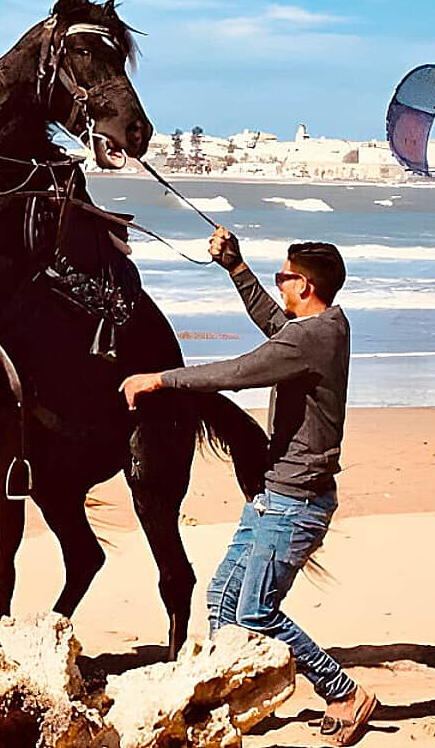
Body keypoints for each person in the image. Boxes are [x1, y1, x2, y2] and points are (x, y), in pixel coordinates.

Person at [120, 228, 376, 747]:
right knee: (221, 600)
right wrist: (235, 268)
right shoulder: (327, 323)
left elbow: (238, 372)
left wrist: (160, 379)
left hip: (295, 503)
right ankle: (224, 698)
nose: (278, 283)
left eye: (282, 277)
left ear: (304, 285)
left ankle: (345, 693)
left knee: (256, 612)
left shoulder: (312, 338)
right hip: (272, 497)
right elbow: (272, 323)